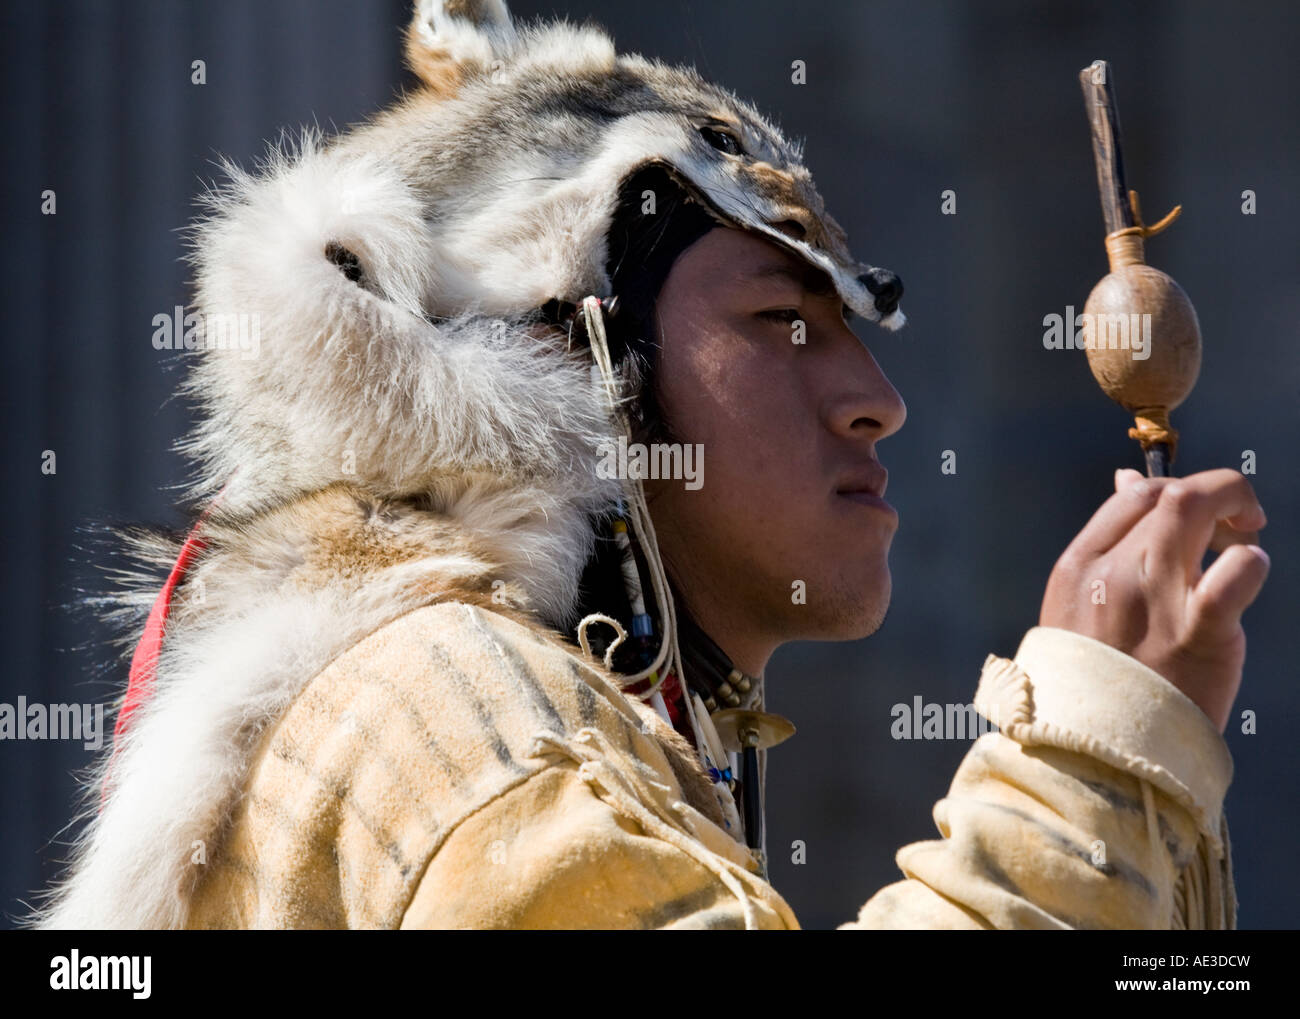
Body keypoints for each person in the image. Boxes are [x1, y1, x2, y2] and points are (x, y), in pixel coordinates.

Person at [33, 0, 1266, 930]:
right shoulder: (446, 716)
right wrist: (1088, 763)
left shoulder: (485, 696)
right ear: (559, 354)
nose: (879, 403)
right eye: (781, 322)